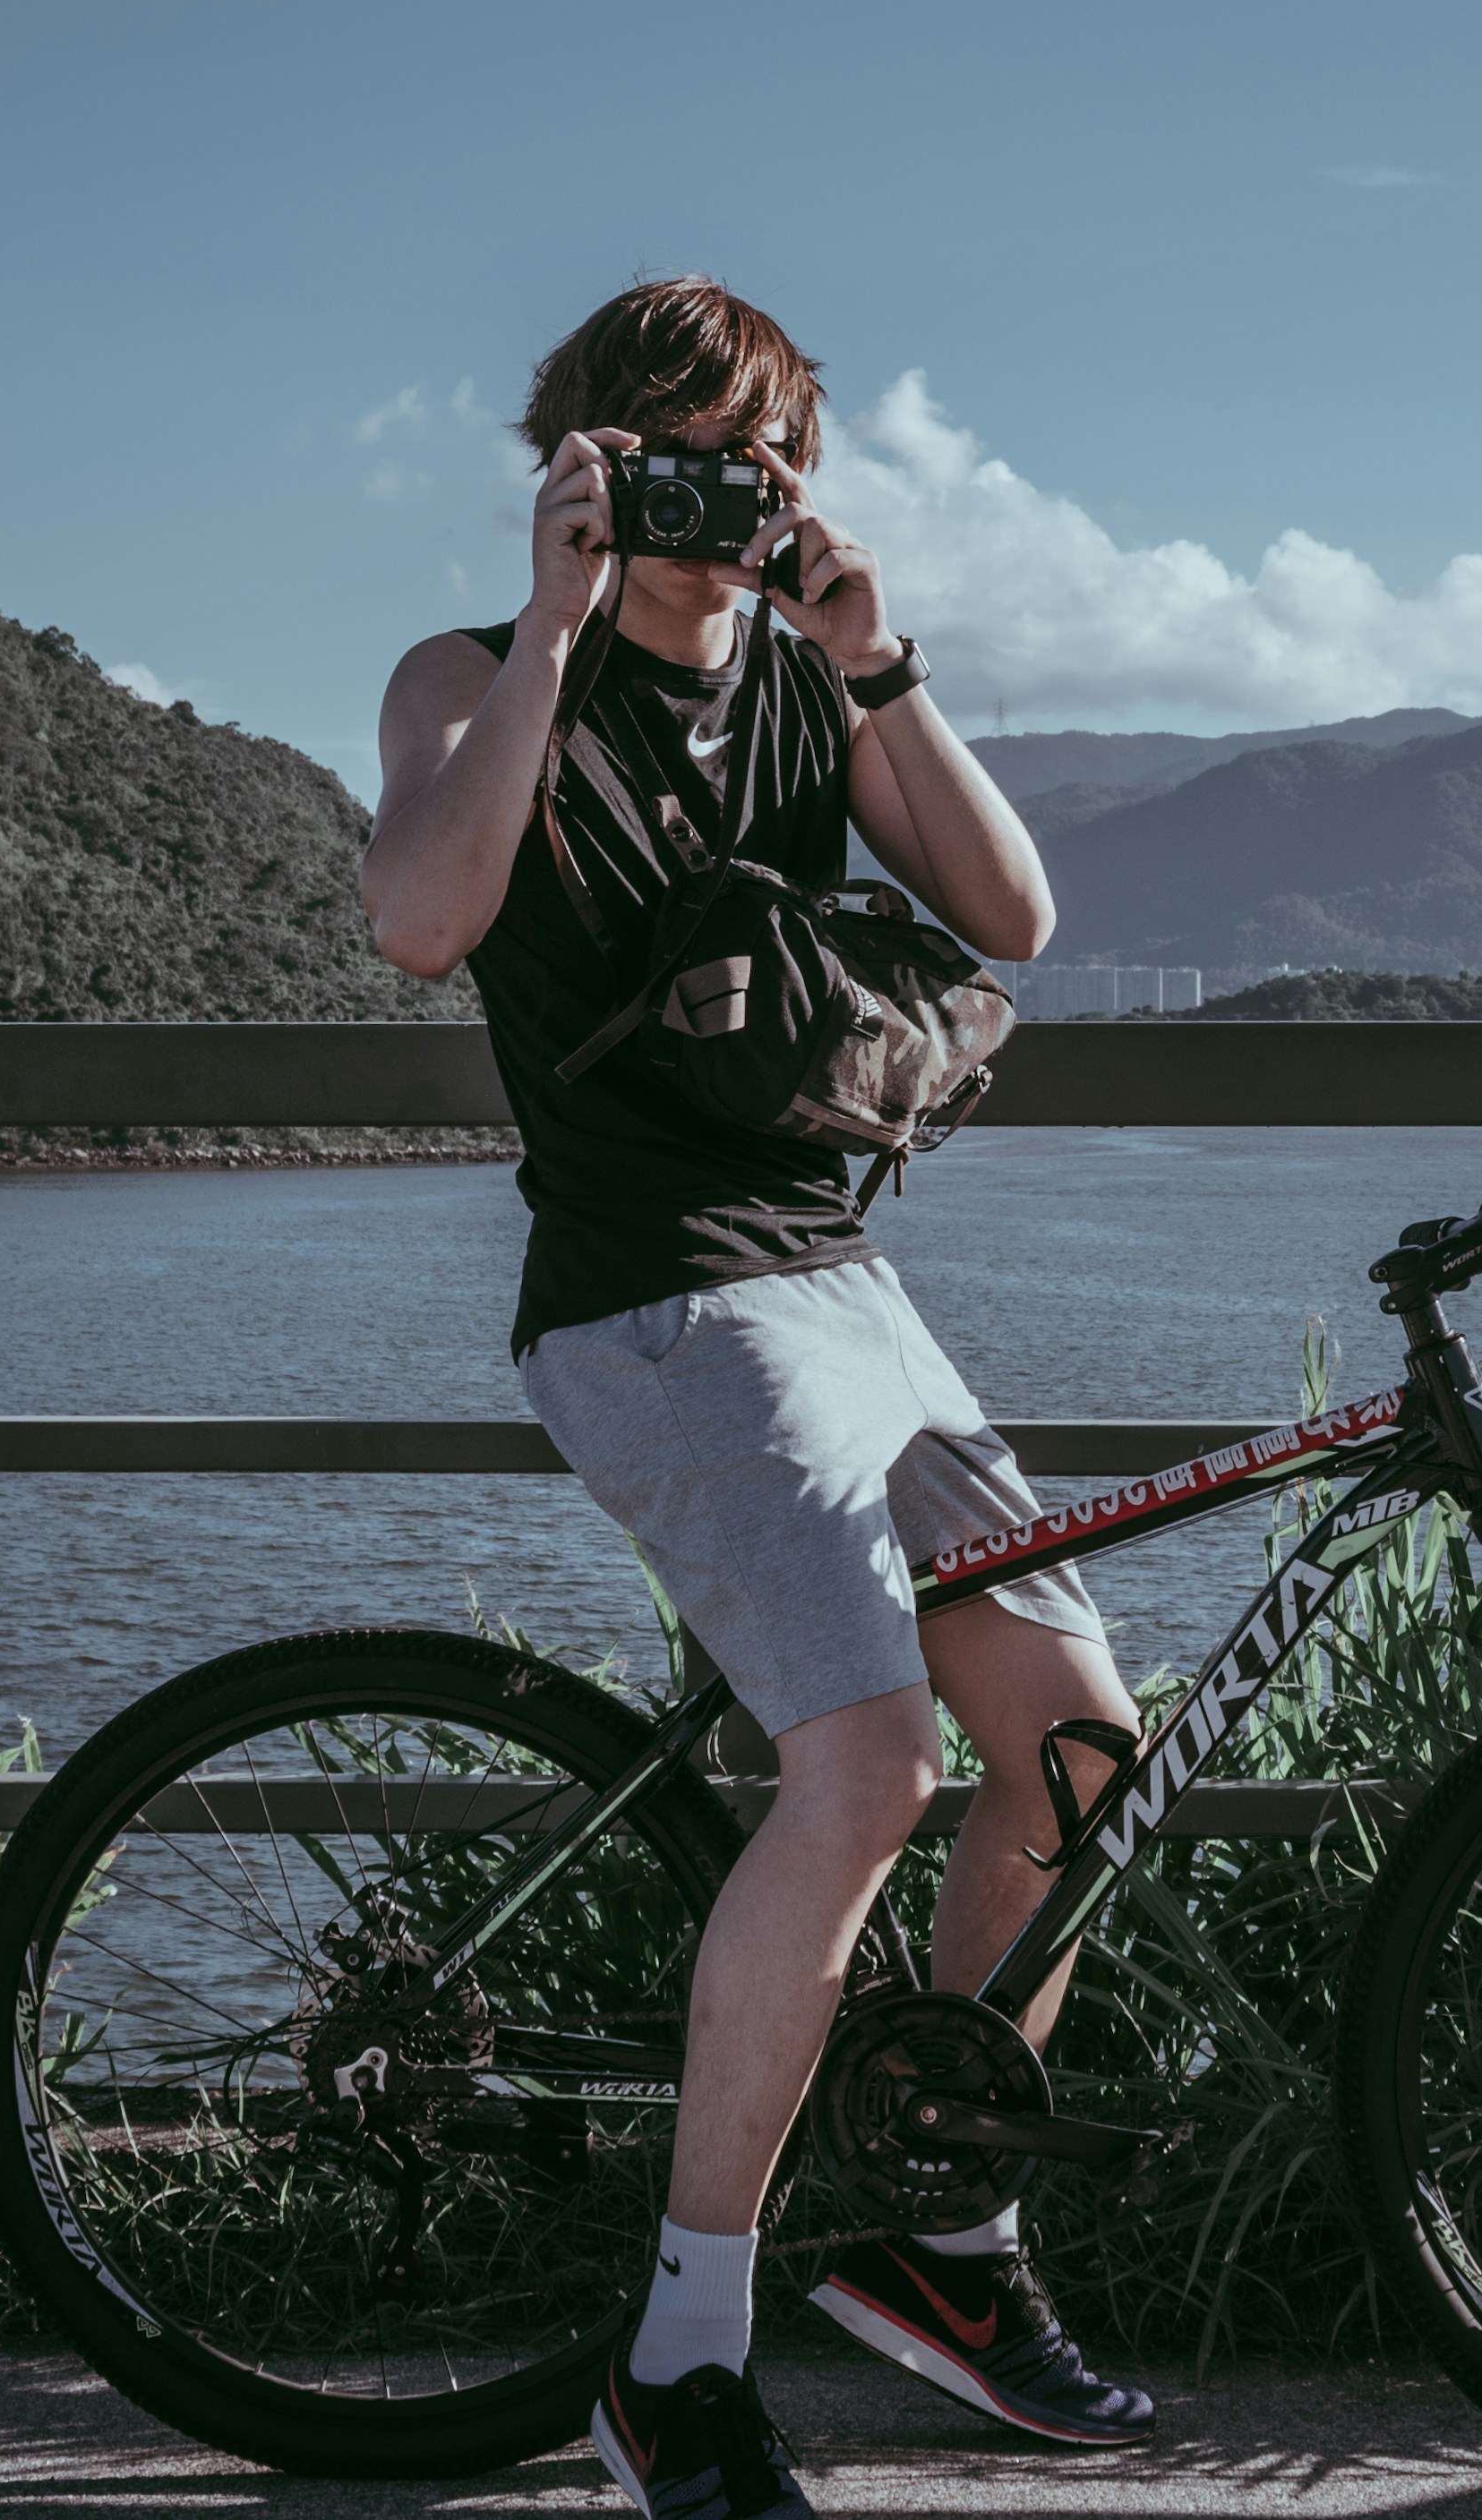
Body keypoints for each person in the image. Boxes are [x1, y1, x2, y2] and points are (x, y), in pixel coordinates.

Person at [359, 278, 1152, 2520]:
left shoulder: (810, 681)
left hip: (834, 1279)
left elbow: (1013, 907)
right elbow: (423, 920)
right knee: (869, 1761)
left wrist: (875, 651)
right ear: (586, 459)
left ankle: (942, 2241)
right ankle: (680, 2349)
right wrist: (554, 617)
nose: (734, 496)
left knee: (1077, 1758)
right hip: (645, 1299)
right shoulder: (474, 675)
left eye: (763, 454)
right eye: (679, 452)